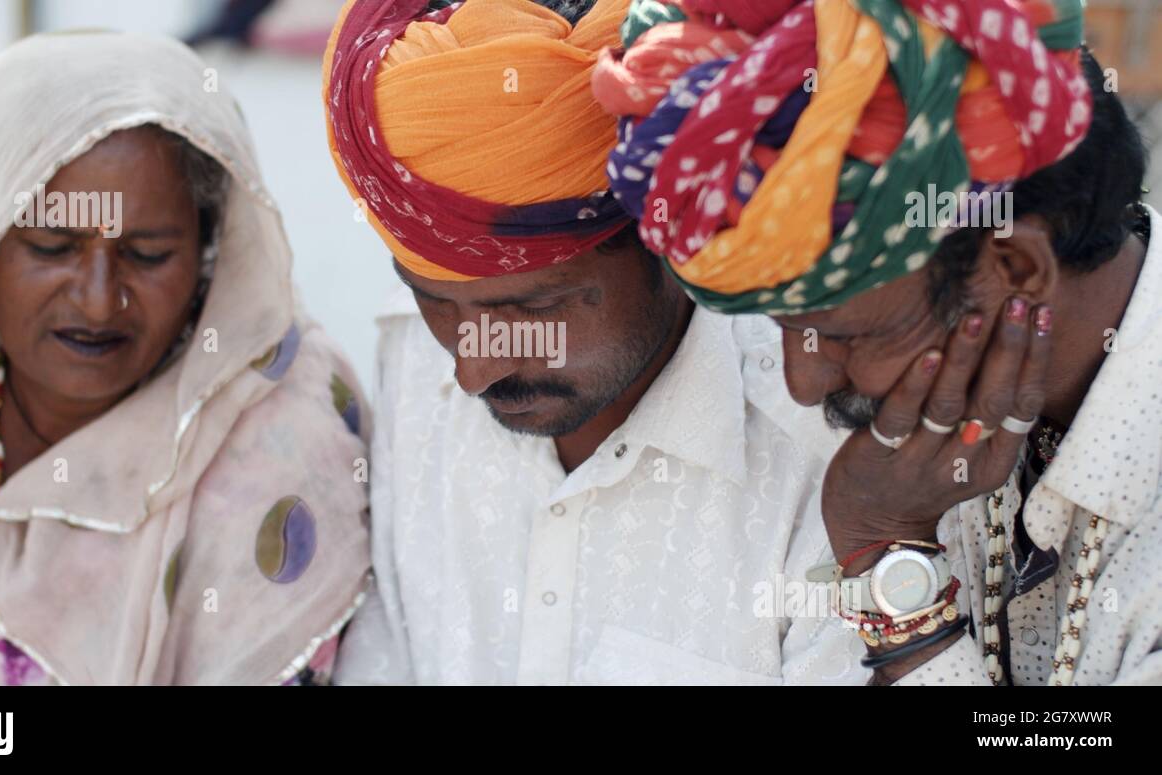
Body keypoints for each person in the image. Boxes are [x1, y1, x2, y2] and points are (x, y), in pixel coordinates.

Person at [605, 0, 1160, 684]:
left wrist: (886, 559)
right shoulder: (945, 431)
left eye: (841, 333)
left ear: (1017, 268)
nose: (802, 383)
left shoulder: (900, 473)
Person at [325, 0, 866, 685]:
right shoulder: (408, 352)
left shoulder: (822, 455)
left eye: (534, 306)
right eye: (433, 298)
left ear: (668, 241)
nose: (472, 366)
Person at [0, 31, 370, 685]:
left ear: (208, 249)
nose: (100, 303)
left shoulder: (284, 433)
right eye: (52, 246)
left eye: (149, 253)